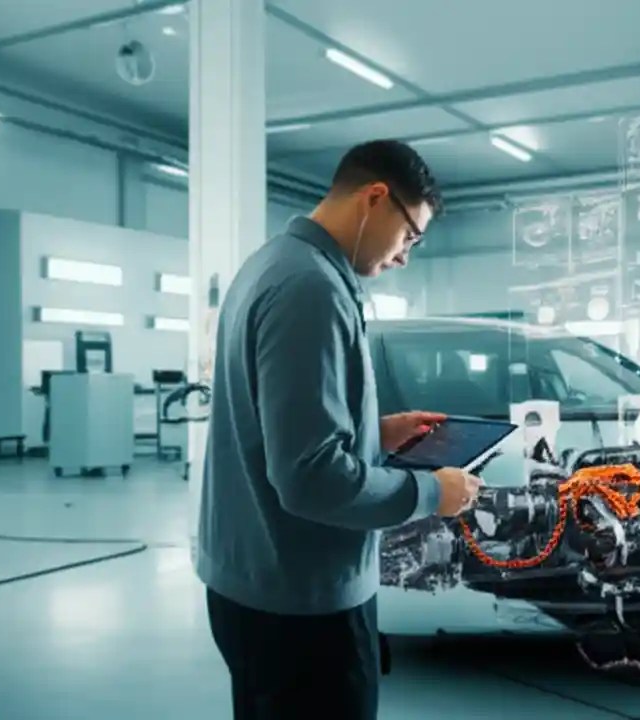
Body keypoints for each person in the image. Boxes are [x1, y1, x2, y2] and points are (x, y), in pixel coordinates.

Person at [194, 139, 483, 720]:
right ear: (375, 198)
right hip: (303, 605)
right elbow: (310, 479)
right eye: (410, 236)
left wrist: (374, 432)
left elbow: (273, 425)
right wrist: (433, 494)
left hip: (253, 583)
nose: (405, 257)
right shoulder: (311, 289)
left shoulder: (271, 264)